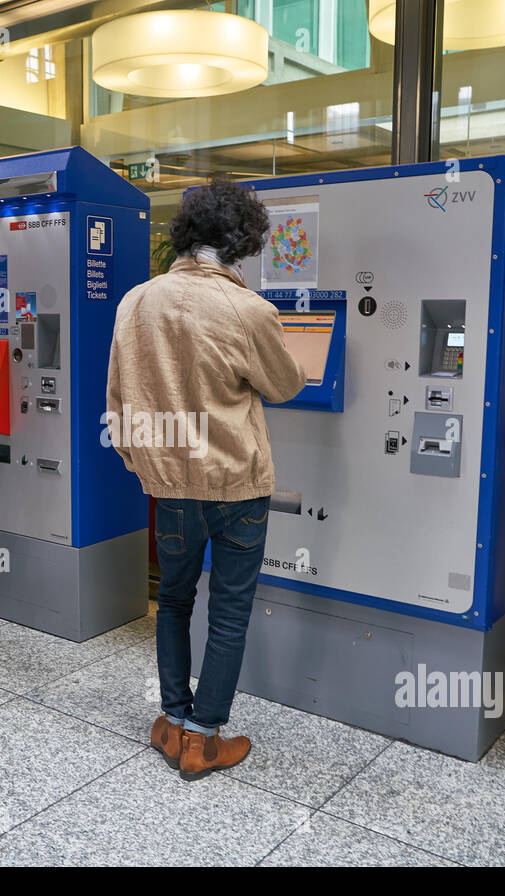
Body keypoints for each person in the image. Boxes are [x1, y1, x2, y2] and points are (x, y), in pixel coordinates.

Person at [107, 180, 306, 781]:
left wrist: (143, 465)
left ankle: (171, 719)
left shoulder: (135, 302)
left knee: (171, 599)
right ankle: (203, 739)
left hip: (169, 486)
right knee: (229, 612)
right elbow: (286, 384)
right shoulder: (249, 310)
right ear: (240, 242)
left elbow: (118, 400)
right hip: (237, 485)